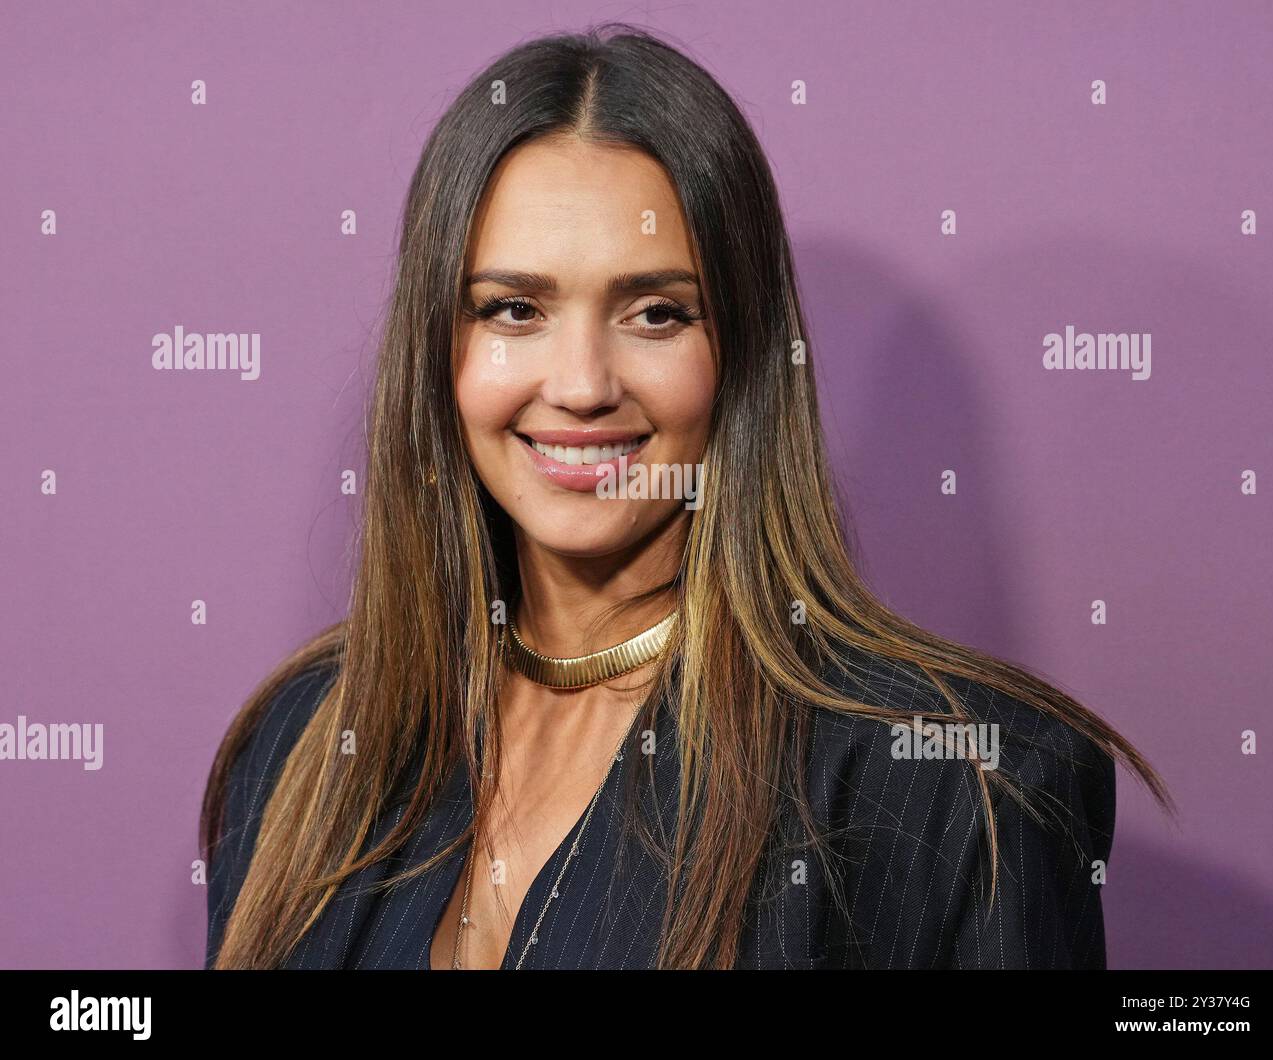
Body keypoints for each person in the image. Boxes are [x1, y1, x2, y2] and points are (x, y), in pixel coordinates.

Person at [201, 23, 1170, 970]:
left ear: (741, 354)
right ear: (436, 353)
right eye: (514, 310)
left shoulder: (956, 786)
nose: (581, 383)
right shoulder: (303, 744)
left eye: (655, 312)